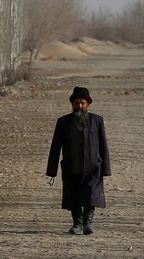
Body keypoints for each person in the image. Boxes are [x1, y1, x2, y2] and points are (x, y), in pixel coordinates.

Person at [46, 86, 111, 235]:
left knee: (90, 195)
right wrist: (52, 171)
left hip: (93, 166)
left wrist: (106, 168)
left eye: (82, 103)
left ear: (88, 104)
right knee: (73, 195)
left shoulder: (97, 121)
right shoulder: (63, 122)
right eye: (77, 103)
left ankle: (88, 223)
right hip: (71, 166)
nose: (79, 106)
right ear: (72, 103)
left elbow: (103, 145)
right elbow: (55, 147)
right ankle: (77, 223)